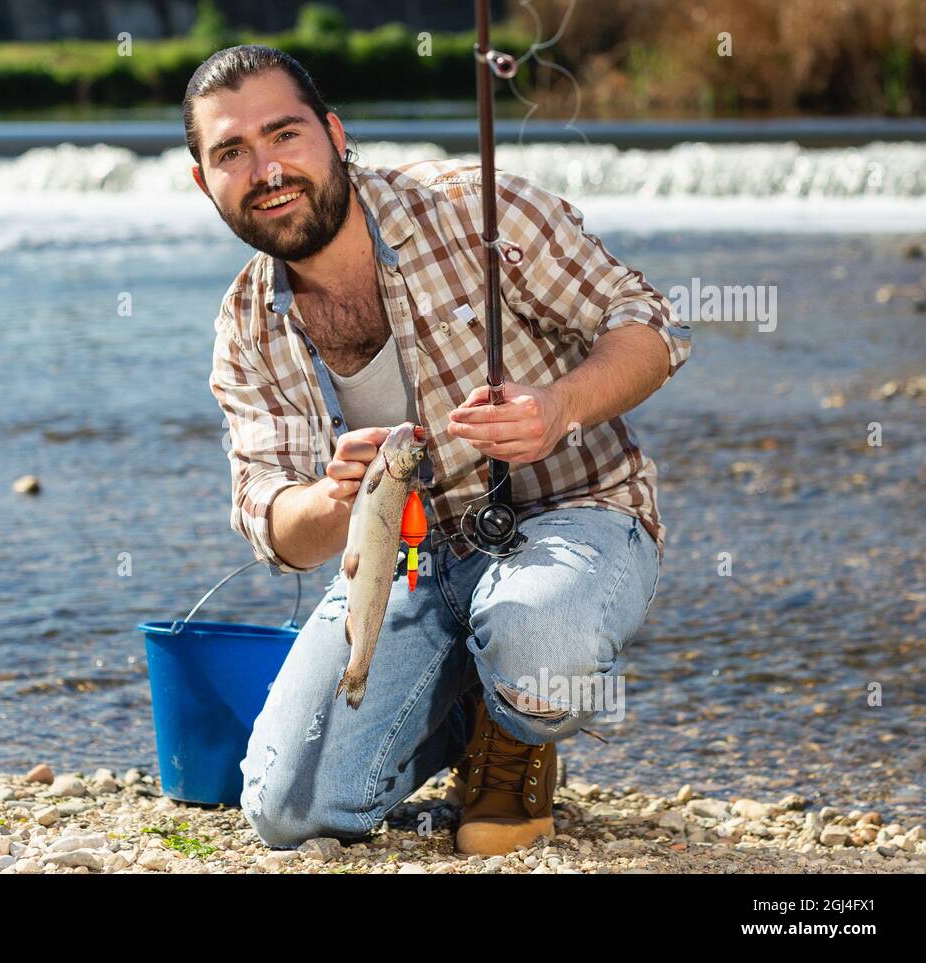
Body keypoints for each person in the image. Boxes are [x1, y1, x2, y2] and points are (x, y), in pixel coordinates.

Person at [188, 45, 692, 855]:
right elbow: (273, 524)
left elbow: (651, 325)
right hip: (405, 568)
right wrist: (332, 499)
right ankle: (458, 710)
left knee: (538, 642)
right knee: (288, 812)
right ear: (202, 180)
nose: (267, 170)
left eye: (284, 135)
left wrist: (559, 406)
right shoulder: (245, 326)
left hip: (573, 512)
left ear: (335, 135)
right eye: (232, 152)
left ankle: (515, 721)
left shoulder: (475, 210)